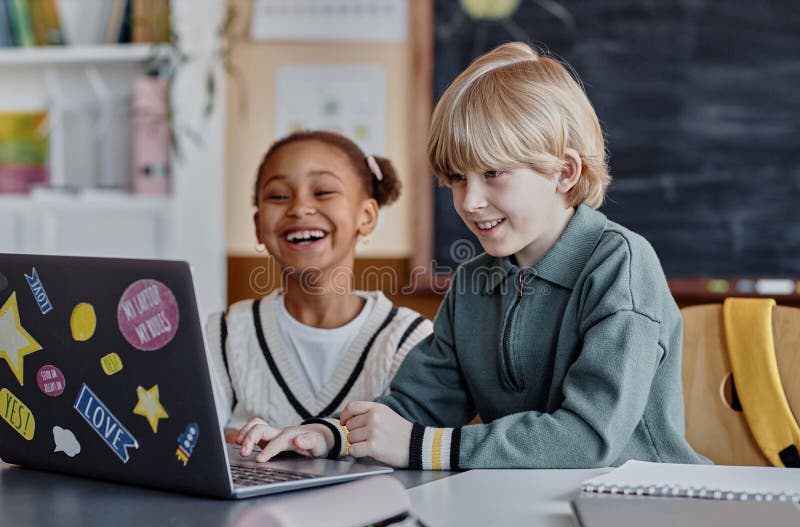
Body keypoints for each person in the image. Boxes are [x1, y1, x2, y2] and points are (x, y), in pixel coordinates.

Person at [235, 42, 708, 468]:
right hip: (527, 506)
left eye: (494, 173)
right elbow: (420, 404)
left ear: (564, 172)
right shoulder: (474, 282)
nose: (469, 201)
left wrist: (423, 446)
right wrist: (326, 434)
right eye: (458, 178)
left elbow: (587, 438)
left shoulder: (620, 265)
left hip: (639, 504)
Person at [206, 130, 432, 433]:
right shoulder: (224, 336)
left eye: (323, 191)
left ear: (366, 216)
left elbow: (414, 449)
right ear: (259, 227)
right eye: (278, 196)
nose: (299, 208)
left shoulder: (409, 340)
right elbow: (195, 444)